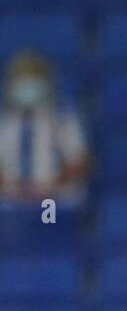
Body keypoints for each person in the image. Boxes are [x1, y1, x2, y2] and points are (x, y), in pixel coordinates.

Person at [0, 51, 90, 210]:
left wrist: (52, 186)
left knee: (64, 207)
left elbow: (80, 161)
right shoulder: (3, 119)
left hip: (55, 197)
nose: (28, 86)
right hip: (9, 198)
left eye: (34, 80)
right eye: (23, 80)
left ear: (46, 82)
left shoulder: (63, 117)